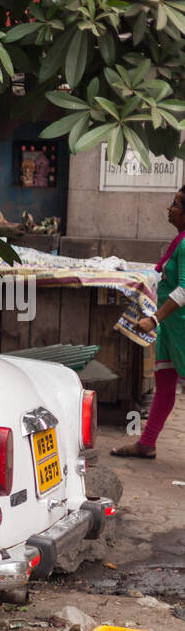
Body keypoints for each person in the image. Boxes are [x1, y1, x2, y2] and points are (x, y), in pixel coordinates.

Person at [112, 185, 185, 458]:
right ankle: (147, 442)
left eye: (176, 205)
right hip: (172, 328)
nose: (169, 208)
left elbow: (184, 290)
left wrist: (154, 319)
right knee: (164, 382)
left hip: (179, 327)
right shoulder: (179, 241)